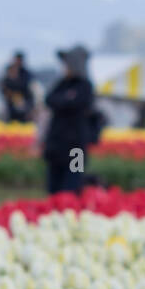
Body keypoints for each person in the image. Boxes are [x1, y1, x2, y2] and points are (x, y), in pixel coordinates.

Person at [42, 46, 95, 195]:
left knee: (73, 185)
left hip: (76, 147)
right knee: (53, 187)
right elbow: (49, 99)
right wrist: (66, 99)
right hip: (57, 144)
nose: (65, 68)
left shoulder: (85, 86)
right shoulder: (62, 84)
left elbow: (77, 103)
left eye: (67, 64)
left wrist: (64, 101)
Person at [1, 51, 35, 122]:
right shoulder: (9, 73)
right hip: (11, 105)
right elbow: (3, 89)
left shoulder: (27, 74)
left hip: (25, 105)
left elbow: (30, 90)